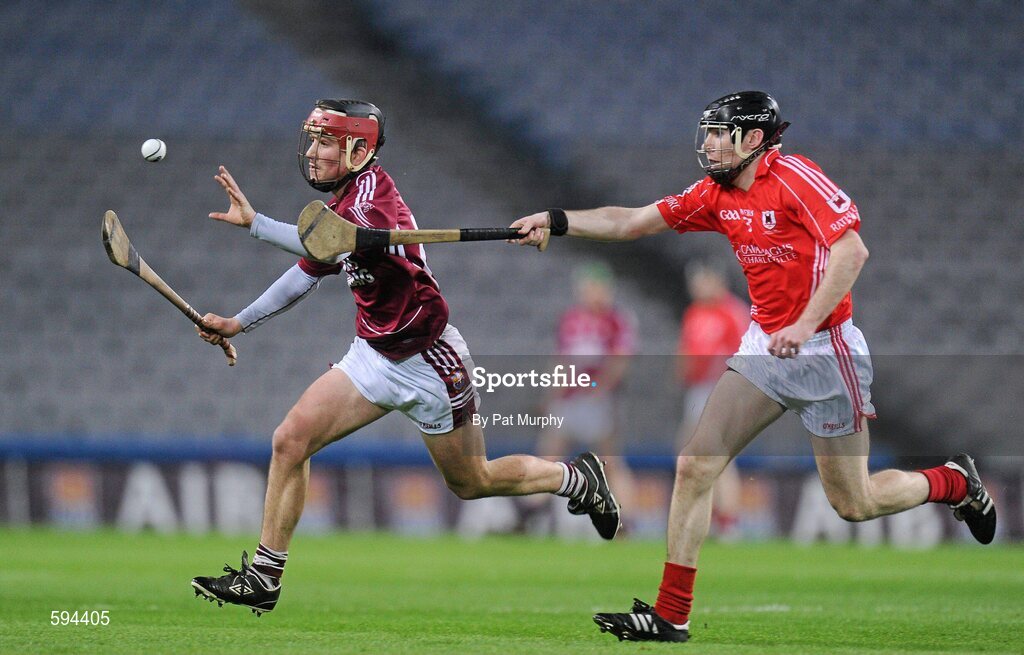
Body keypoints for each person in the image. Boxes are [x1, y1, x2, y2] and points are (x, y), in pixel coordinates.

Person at [511, 91, 997, 642]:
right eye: (711, 133)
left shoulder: (795, 177)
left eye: (721, 134)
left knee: (854, 503)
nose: (711, 144)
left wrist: (805, 324)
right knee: (695, 465)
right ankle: (671, 616)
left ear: (754, 138)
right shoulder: (714, 193)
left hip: (826, 352)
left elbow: (852, 252)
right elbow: (631, 222)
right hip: (764, 348)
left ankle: (954, 482)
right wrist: (556, 220)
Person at [189, 99, 621, 616]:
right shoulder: (344, 204)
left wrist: (257, 223)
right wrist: (239, 321)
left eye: (325, 142)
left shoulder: (371, 201)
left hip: (429, 362)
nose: (314, 152)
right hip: (373, 355)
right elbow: (308, 269)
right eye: (314, 139)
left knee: (472, 482)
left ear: (358, 149)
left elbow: (322, 245)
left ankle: (576, 479)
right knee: (290, 441)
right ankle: (264, 577)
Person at [533, 261, 637, 535]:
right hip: (570, 397)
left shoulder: (616, 320)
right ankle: (534, 513)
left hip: (598, 399)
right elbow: (560, 359)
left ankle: (626, 519)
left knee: (610, 460)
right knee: (549, 456)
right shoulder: (570, 318)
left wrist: (599, 389)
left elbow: (620, 360)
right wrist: (551, 393)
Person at [675, 263, 750, 540]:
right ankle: (716, 515)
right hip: (698, 390)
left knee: (717, 455)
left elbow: (746, 354)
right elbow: (687, 349)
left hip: (721, 388)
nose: (696, 288)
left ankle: (727, 519)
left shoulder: (732, 312)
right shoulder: (694, 312)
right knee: (693, 452)